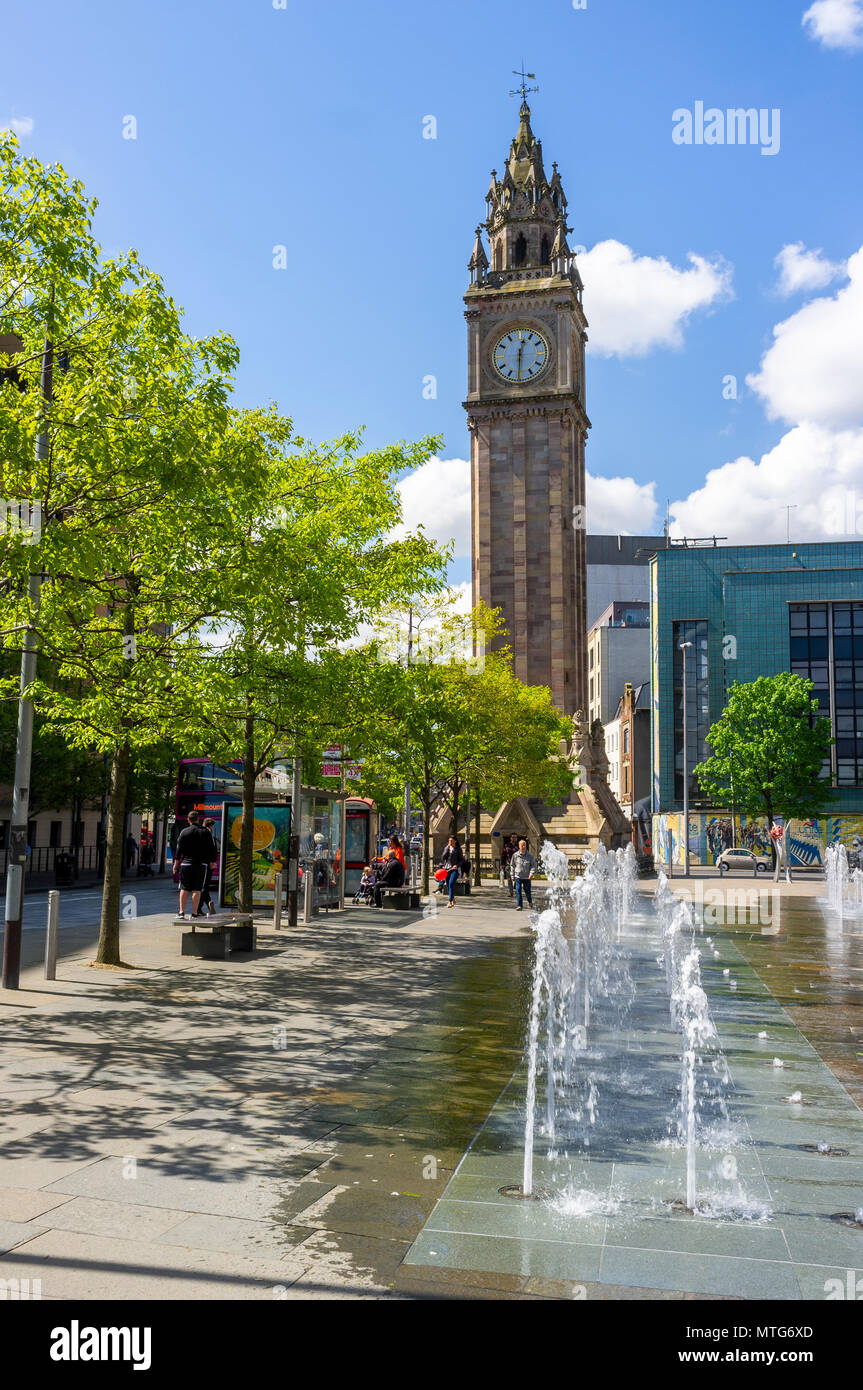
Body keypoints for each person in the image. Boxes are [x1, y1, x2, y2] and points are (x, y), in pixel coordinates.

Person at [175, 810, 219, 920]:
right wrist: (212, 862)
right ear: (198, 819)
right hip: (200, 865)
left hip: (186, 864)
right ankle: (194, 913)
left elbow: (179, 850)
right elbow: (212, 848)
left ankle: (181, 912)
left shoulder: (184, 832)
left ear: (188, 820)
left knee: (184, 889)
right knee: (197, 889)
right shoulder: (205, 832)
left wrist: (176, 864)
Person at [195, 818, 219, 916]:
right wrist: (212, 861)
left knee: (202, 886)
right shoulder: (209, 834)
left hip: (197, 863)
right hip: (207, 864)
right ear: (211, 826)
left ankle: (201, 908)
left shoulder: (198, 833)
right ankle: (204, 905)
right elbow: (213, 849)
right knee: (205, 886)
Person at [439, 835, 463, 909]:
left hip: (454, 869)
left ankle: (450, 901)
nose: (450, 842)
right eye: (449, 841)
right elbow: (443, 857)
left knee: (451, 883)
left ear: (455, 841)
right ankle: (452, 898)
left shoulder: (458, 849)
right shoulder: (447, 848)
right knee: (448, 885)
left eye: (451, 841)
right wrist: (447, 849)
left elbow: (461, 860)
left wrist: (457, 865)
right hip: (447, 869)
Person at [511, 838, 535, 911]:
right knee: (518, 891)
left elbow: (533, 866)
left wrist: (531, 873)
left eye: (524, 845)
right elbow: (512, 865)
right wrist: (512, 875)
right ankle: (519, 905)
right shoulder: (515, 855)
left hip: (527, 877)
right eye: (522, 845)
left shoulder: (530, 855)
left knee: (527, 891)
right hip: (518, 876)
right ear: (519, 846)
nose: (523, 846)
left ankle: (530, 902)